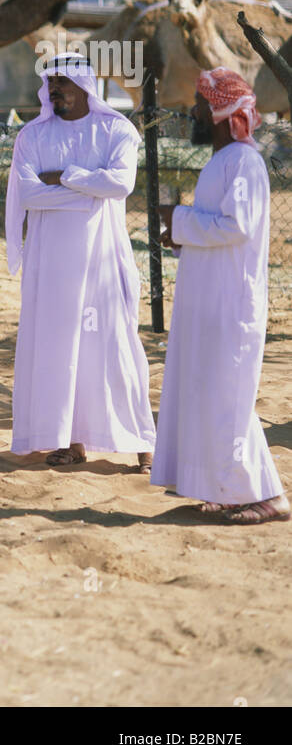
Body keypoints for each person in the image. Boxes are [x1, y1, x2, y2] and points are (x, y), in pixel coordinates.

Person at [5, 54, 155, 470]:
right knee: (60, 350)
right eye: (50, 85)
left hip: (102, 263)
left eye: (63, 84)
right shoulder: (32, 137)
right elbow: (29, 195)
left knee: (115, 347)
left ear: (84, 85)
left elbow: (121, 184)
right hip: (50, 265)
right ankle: (72, 442)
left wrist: (65, 175)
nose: (54, 92)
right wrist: (90, 187)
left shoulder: (116, 130)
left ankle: (143, 444)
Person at [153, 70, 290, 523]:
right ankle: (227, 490)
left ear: (221, 113)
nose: (192, 110)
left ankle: (268, 495)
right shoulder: (221, 161)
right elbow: (214, 226)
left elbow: (237, 227)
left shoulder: (245, 162)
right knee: (207, 394)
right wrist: (180, 229)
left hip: (232, 304)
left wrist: (181, 217)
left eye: (199, 102)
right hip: (206, 302)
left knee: (228, 399)